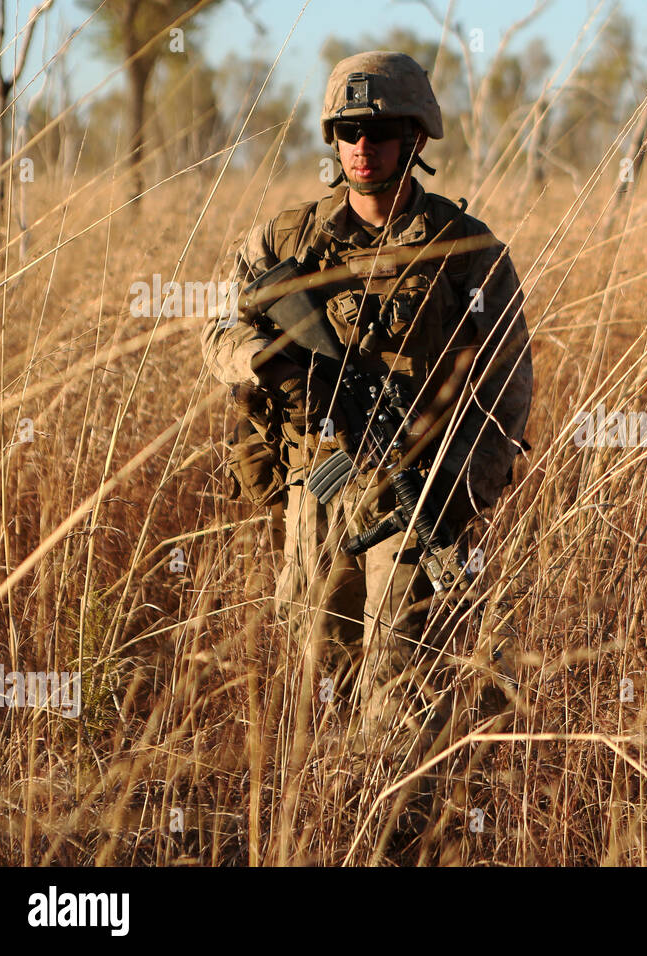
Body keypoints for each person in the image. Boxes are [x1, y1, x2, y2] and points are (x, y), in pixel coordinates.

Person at [202, 51, 533, 743]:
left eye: (379, 132)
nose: (362, 147)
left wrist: (457, 487)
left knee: (400, 683)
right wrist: (266, 363)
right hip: (317, 490)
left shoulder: (466, 251)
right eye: (348, 131)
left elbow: (507, 389)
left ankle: (394, 829)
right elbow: (219, 336)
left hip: (416, 492)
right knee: (320, 668)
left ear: (417, 138)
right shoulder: (284, 240)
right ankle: (328, 816)